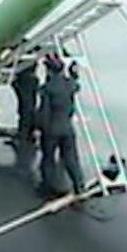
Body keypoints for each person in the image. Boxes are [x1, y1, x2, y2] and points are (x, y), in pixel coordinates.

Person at [36, 56, 85, 199]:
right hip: (67, 128)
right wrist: (74, 73)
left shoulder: (47, 89)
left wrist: (39, 128)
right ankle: (79, 185)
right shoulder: (70, 84)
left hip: (52, 129)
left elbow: (44, 112)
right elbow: (76, 85)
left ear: (49, 71)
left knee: (48, 159)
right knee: (71, 158)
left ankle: (47, 187)